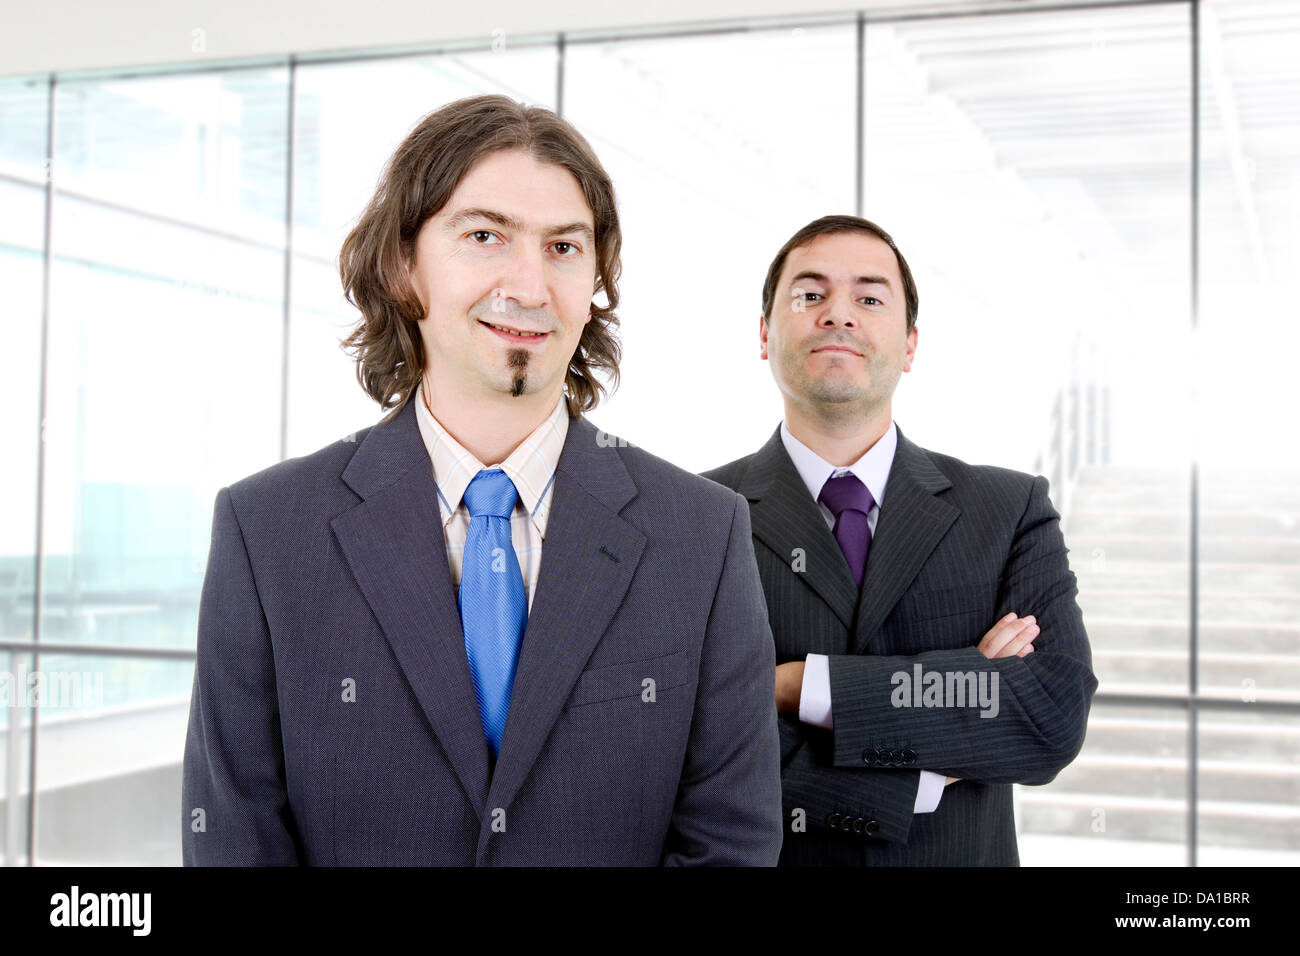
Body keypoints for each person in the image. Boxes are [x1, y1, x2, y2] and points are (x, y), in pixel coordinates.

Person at [182, 95, 782, 866]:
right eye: (484, 236)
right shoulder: (266, 532)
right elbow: (236, 840)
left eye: (564, 248)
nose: (529, 286)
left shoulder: (703, 534)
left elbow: (731, 842)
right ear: (403, 266)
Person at [702, 215, 1097, 865]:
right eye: (809, 294)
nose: (838, 314)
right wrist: (952, 715)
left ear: (911, 345)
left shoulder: (1008, 510)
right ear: (765, 336)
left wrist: (802, 687)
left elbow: (1048, 716)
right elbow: (687, 741)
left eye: (869, 297)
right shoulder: (696, 516)